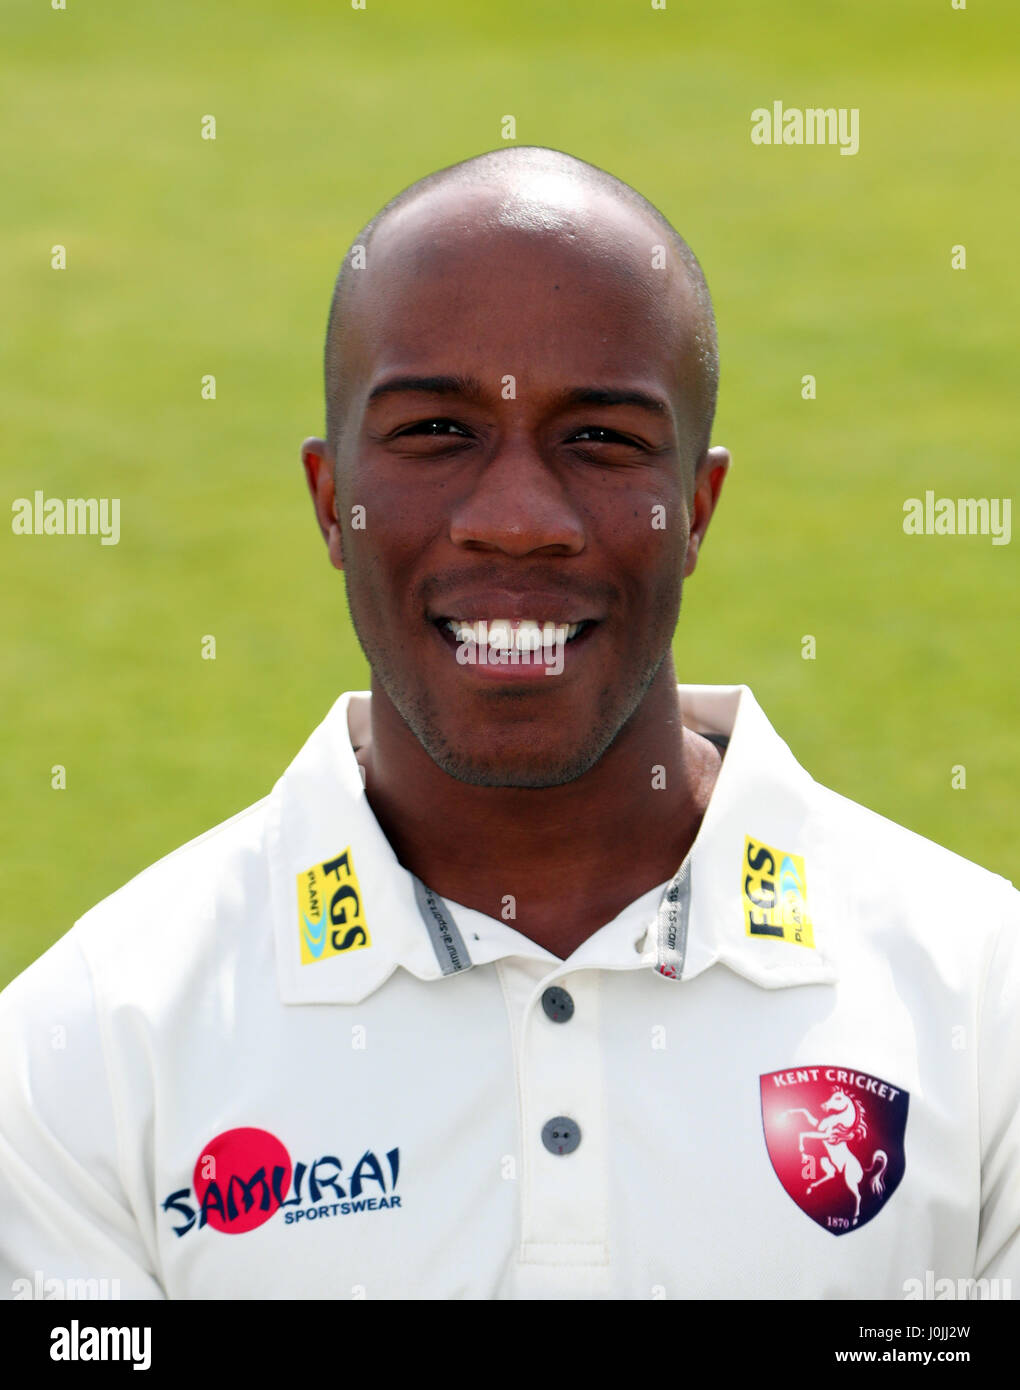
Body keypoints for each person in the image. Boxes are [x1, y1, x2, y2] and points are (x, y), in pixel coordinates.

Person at [1, 147, 1016, 1302]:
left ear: (695, 507)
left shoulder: (985, 1003)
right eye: (436, 433)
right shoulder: (85, 1047)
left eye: (600, 440)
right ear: (333, 502)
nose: (518, 521)